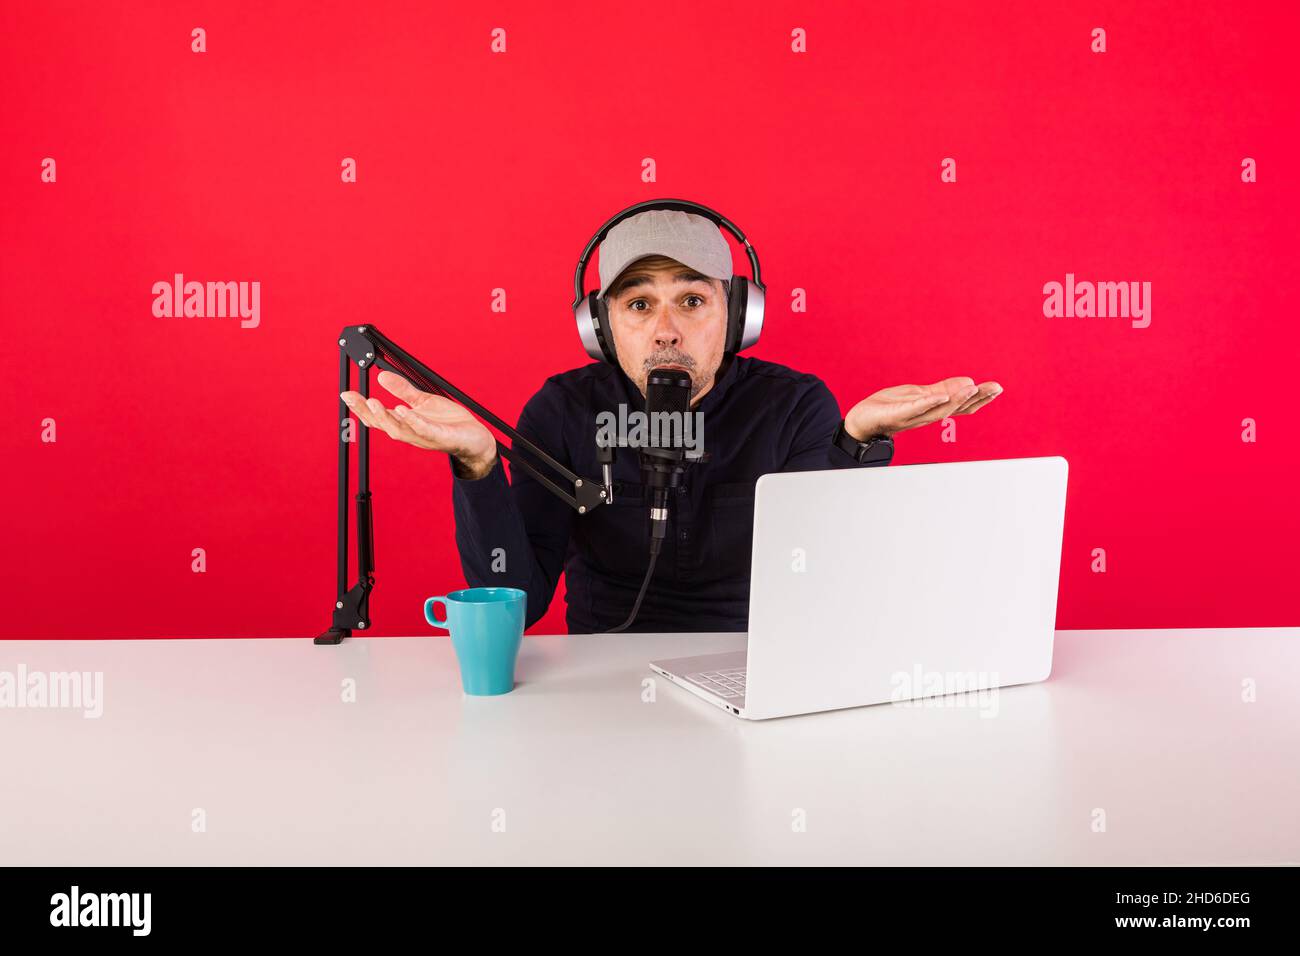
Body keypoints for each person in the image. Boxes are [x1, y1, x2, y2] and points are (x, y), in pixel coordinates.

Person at [341, 207, 1001, 632]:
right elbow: (518, 599)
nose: (665, 332)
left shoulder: (794, 407)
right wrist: (478, 467)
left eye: (691, 299)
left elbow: (824, 582)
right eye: (637, 305)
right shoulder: (563, 411)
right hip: (600, 682)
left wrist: (856, 443)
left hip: (756, 671)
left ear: (738, 315)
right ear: (600, 326)